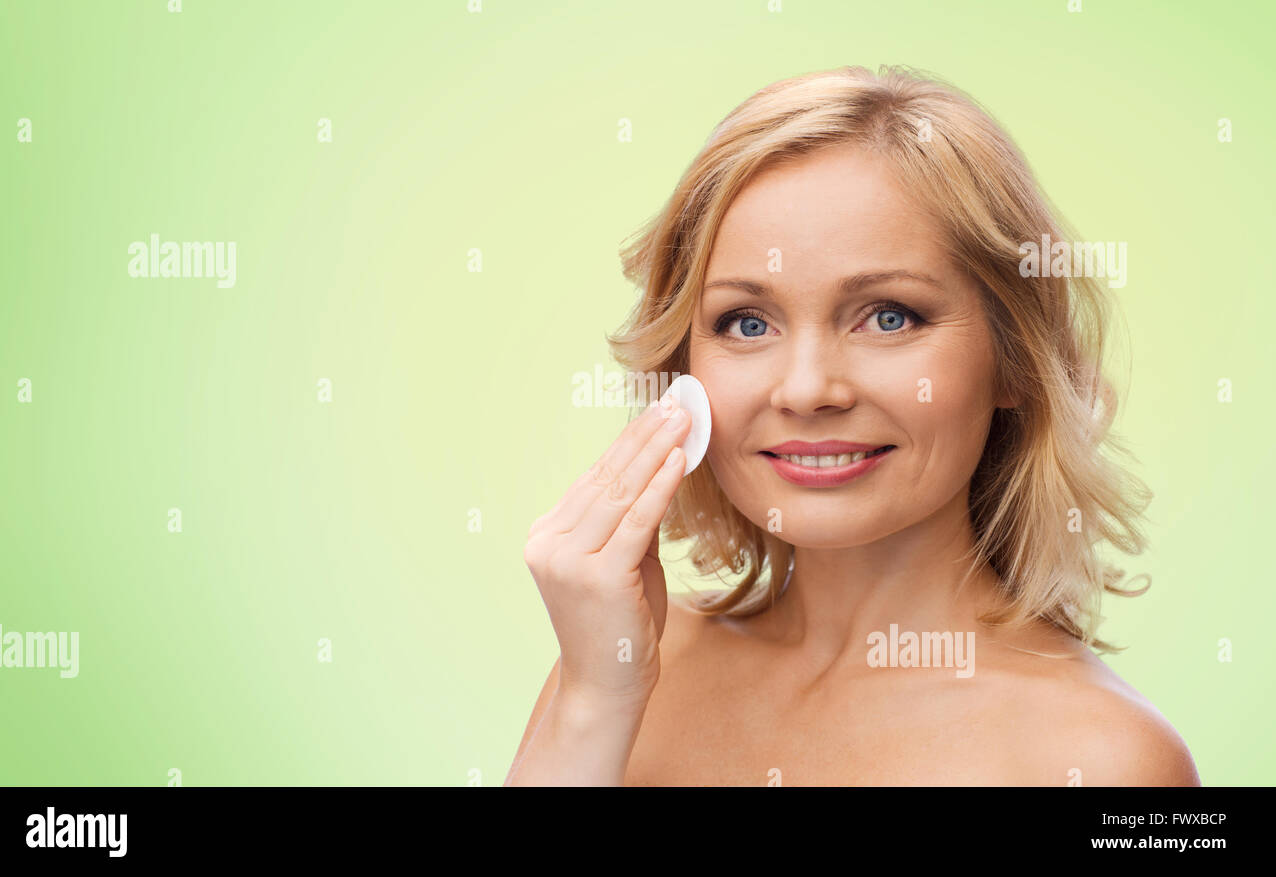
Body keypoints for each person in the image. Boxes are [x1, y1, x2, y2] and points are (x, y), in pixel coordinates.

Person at [506, 65, 1199, 786]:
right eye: (747, 322)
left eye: (889, 316)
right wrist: (593, 702)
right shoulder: (619, 669)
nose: (807, 389)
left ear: (1015, 361)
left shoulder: (1104, 759)